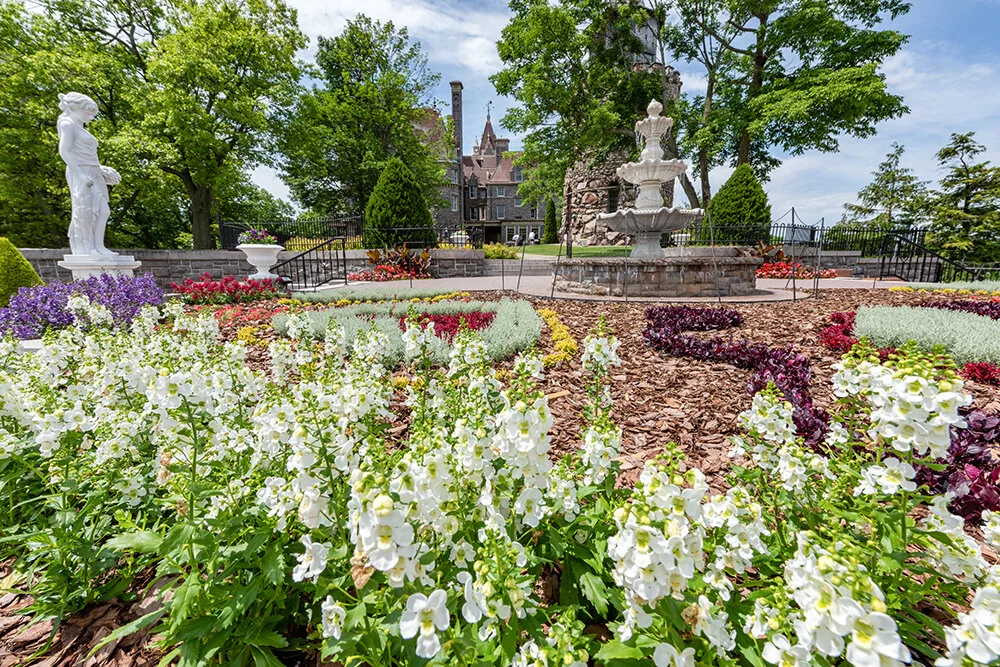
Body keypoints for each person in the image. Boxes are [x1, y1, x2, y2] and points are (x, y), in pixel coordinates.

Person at [57, 92, 121, 257]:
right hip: (81, 173)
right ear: (74, 108)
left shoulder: (79, 126)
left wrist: (102, 169)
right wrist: (80, 175)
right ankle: (88, 248)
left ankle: (99, 246)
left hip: (94, 172)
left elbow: (88, 155)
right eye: (88, 112)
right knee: (85, 211)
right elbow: (64, 151)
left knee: (103, 211)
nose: (91, 117)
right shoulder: (67, 124)